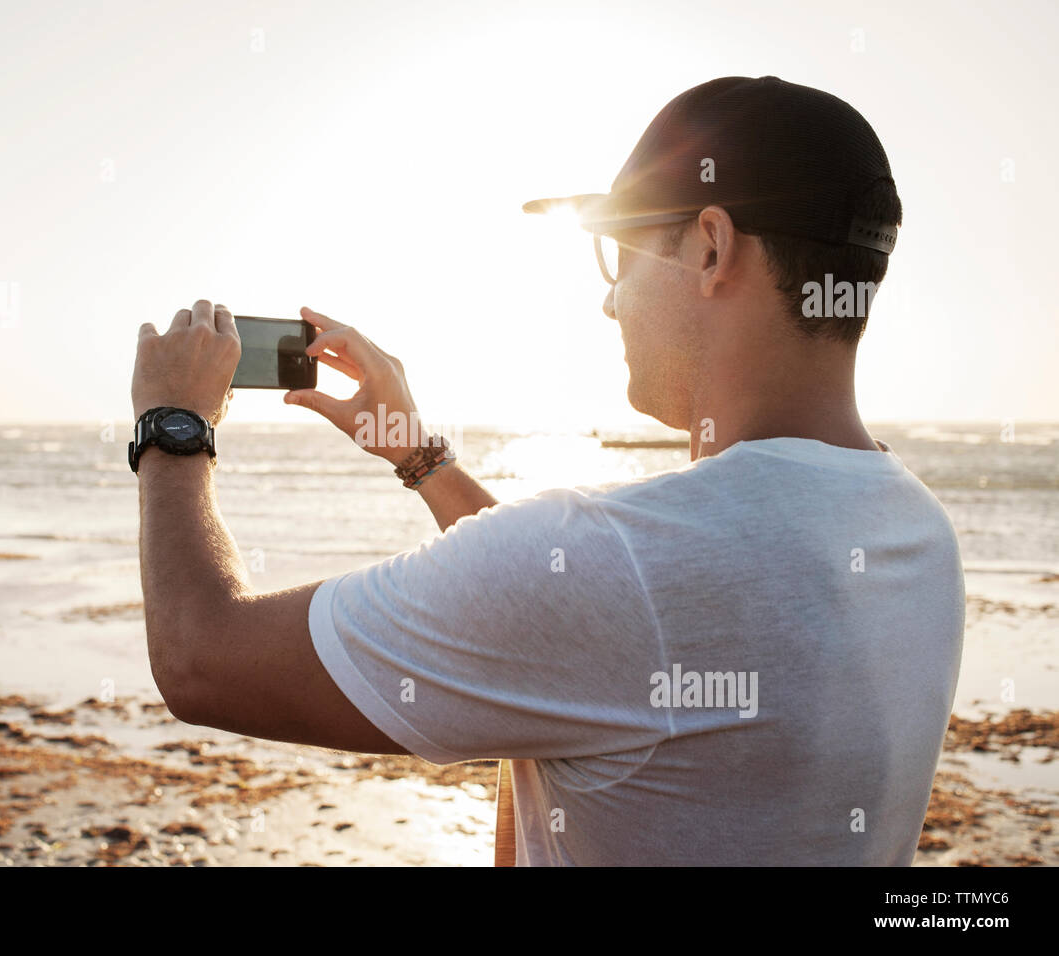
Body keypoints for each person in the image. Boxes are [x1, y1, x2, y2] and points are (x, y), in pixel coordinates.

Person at [128, 76, 965, 865]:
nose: (610, 300)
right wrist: (422, 459)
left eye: (619, 255)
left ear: (711, 248)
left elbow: (202, 658)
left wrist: (175, 425)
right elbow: (593, 629)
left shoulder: (627, 566)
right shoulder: (918, 533)